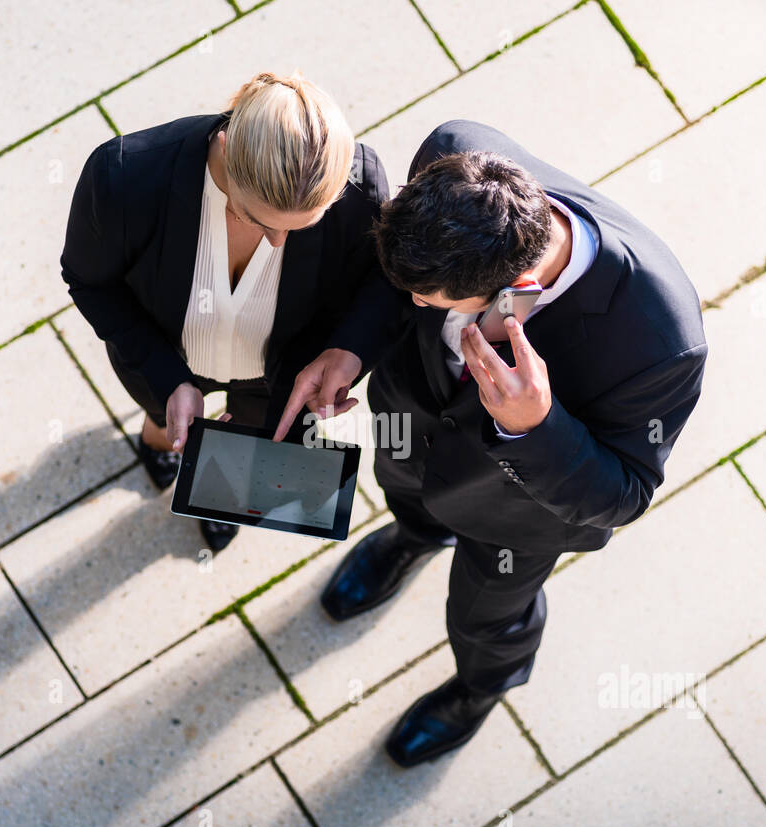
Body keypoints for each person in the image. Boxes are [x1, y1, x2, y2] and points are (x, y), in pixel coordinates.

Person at [305, 120, 708, 768]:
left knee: (486, 619)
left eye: (428, 297)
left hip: (515, 513)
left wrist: (535, 426)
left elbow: (624, 493)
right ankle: (413, 537)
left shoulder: (658, 340)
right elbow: (394, 276)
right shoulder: (451, 154)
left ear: (512, 285)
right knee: (403, 490)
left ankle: (476, 693)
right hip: (409, 415)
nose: (411, 299)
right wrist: (350, 347)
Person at [61, 72, 399, 552]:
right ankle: (157, 440)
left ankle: (224, 495)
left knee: (248, 456)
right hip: (162, 355)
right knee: (164, 420)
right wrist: (165, 377)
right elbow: (90, 281)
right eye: (258, 220)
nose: (280, 242)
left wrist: (348, 350)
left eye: (305, 225)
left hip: (280, 374)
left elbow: (381, 283)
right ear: (224, 147)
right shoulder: (124, 177)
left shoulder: (360, 188)